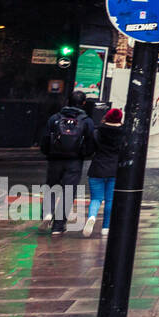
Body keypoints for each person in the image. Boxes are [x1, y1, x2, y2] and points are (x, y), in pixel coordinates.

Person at [38, 91, 96, 236]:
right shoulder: (86, 121)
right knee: (68, 192)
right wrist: (84, 154)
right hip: (74, 160)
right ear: (83, 103)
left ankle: (47, 213)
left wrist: (47, 152)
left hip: (55, 158)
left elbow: (45, 138)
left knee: (51, 186)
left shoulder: (55, 118)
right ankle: (58, 226)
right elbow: (90, 142)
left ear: (67, 101)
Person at [84, 107, 124, 237]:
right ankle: (106, 227)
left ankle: (92, 217)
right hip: (115, 170)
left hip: (97, 168)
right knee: (110, 200)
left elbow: (89, 150)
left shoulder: (97, 132)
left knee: (95, 198)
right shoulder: (124, 133)